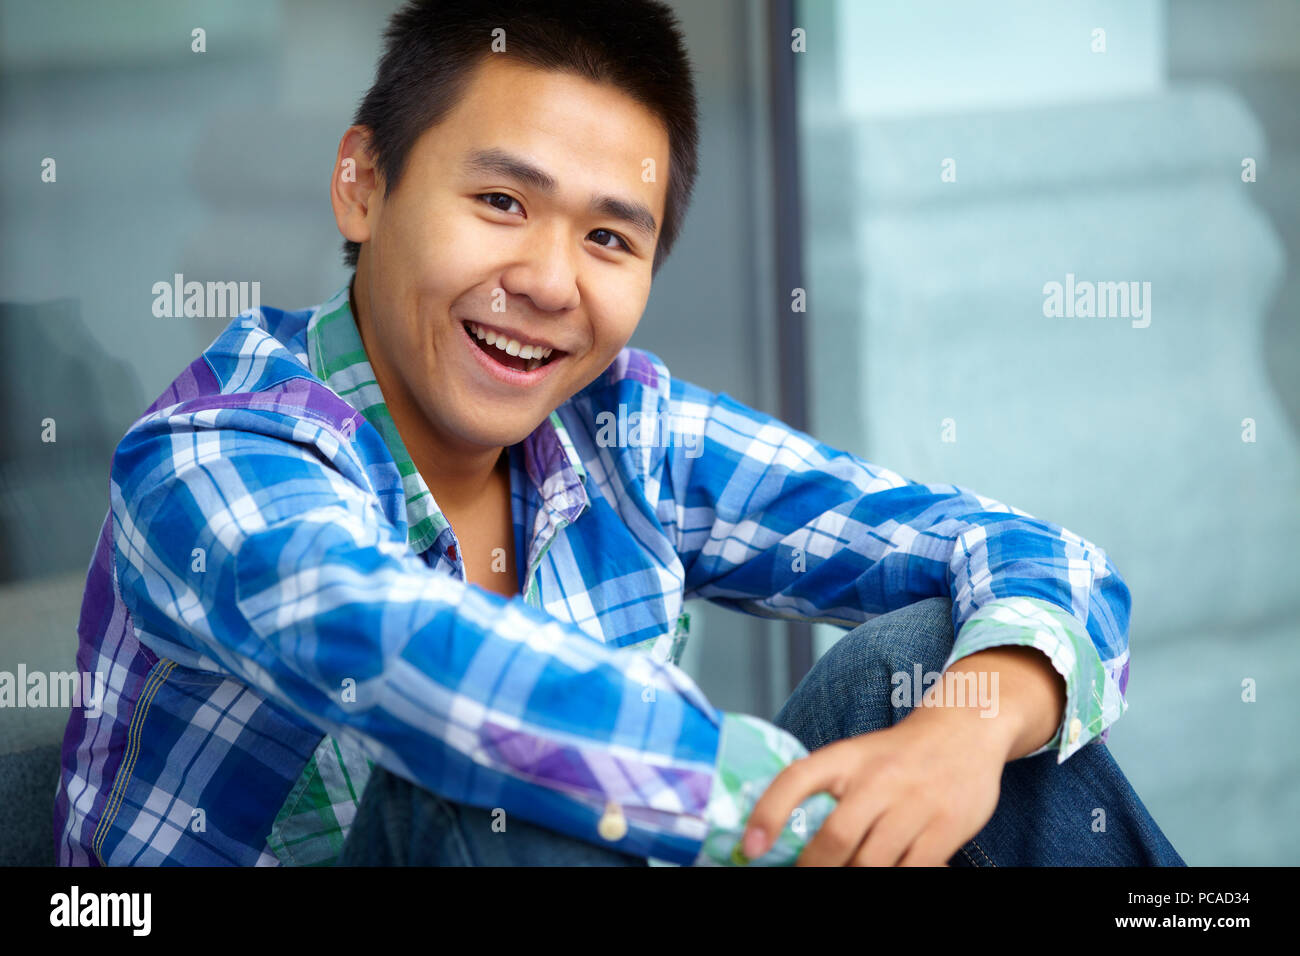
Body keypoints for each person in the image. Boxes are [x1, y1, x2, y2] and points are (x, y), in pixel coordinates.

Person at [54, 0, 1183, 867]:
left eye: (607, 236)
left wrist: (960, 738)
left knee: (946, 666)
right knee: (512, 781)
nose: (547, 280)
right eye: (500, 202)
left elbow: (1038, 554)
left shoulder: (620, 430)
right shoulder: (216, 455)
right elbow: (438, 676)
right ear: (363, 184)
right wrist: (809, 822)